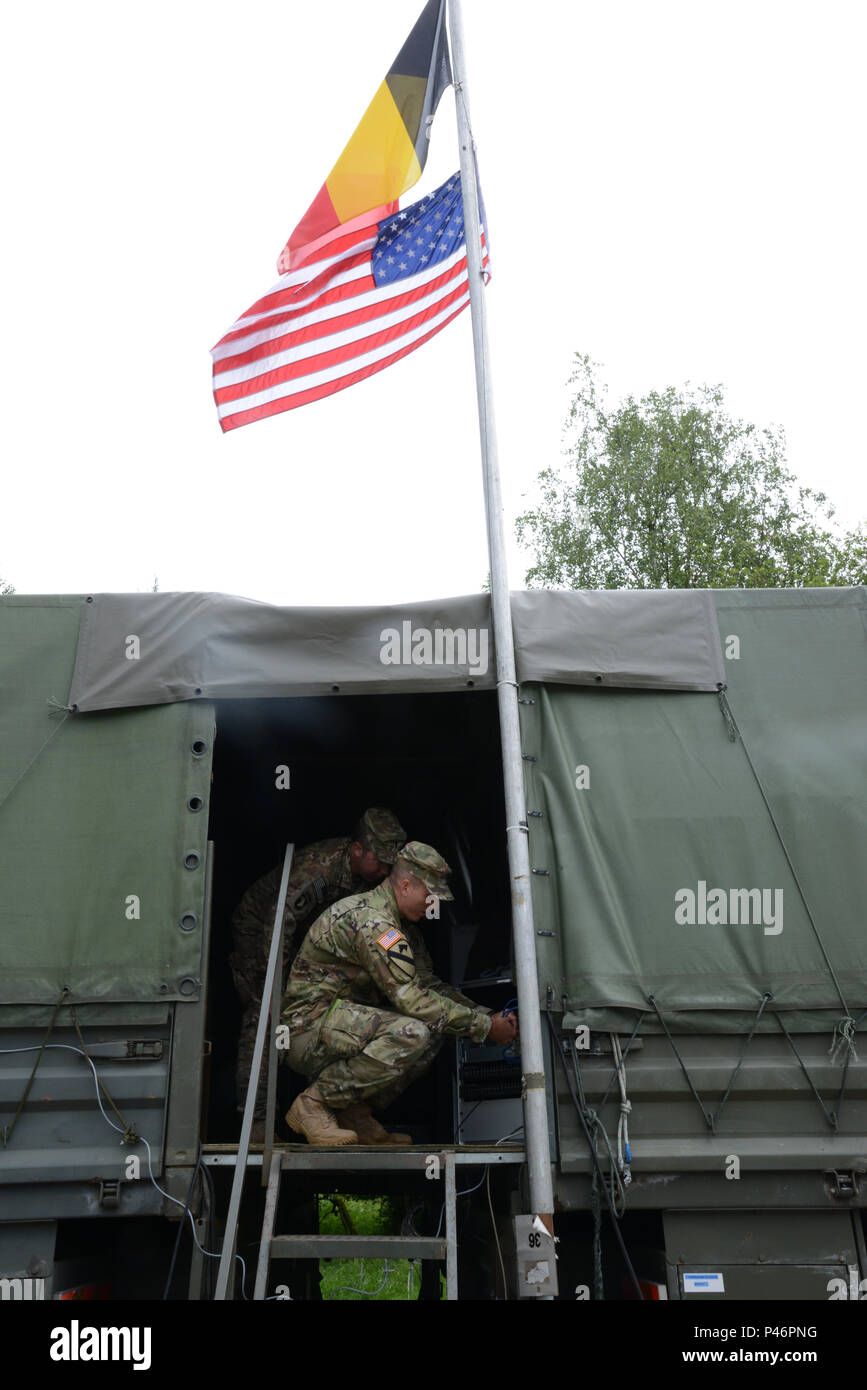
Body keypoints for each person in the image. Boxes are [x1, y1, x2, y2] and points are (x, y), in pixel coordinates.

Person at [282, 841, 518, 1145]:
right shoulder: (375, 923)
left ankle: (353, 1111)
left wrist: (487, 1017)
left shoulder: (401, 929)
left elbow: (427, 988)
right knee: (413, 1032)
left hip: (340, 1026)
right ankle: (312, 1104)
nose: (433, 905)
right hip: (307, 1029)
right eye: (429, 896)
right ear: (405, 886)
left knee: (433, 1032)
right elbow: (412, 999)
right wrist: (484, 1028)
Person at [229, 807, 407, 1138]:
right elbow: (279, 923)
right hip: (264, 931)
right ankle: (254, 1122)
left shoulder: (371, 881)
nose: (384, 871)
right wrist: (277, 985)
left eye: (389, 865)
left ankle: (338, 1112)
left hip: (309, 942)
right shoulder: (320, 869)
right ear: (356, 850)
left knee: (335, 1011)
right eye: (378, 861)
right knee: (267, 1014)